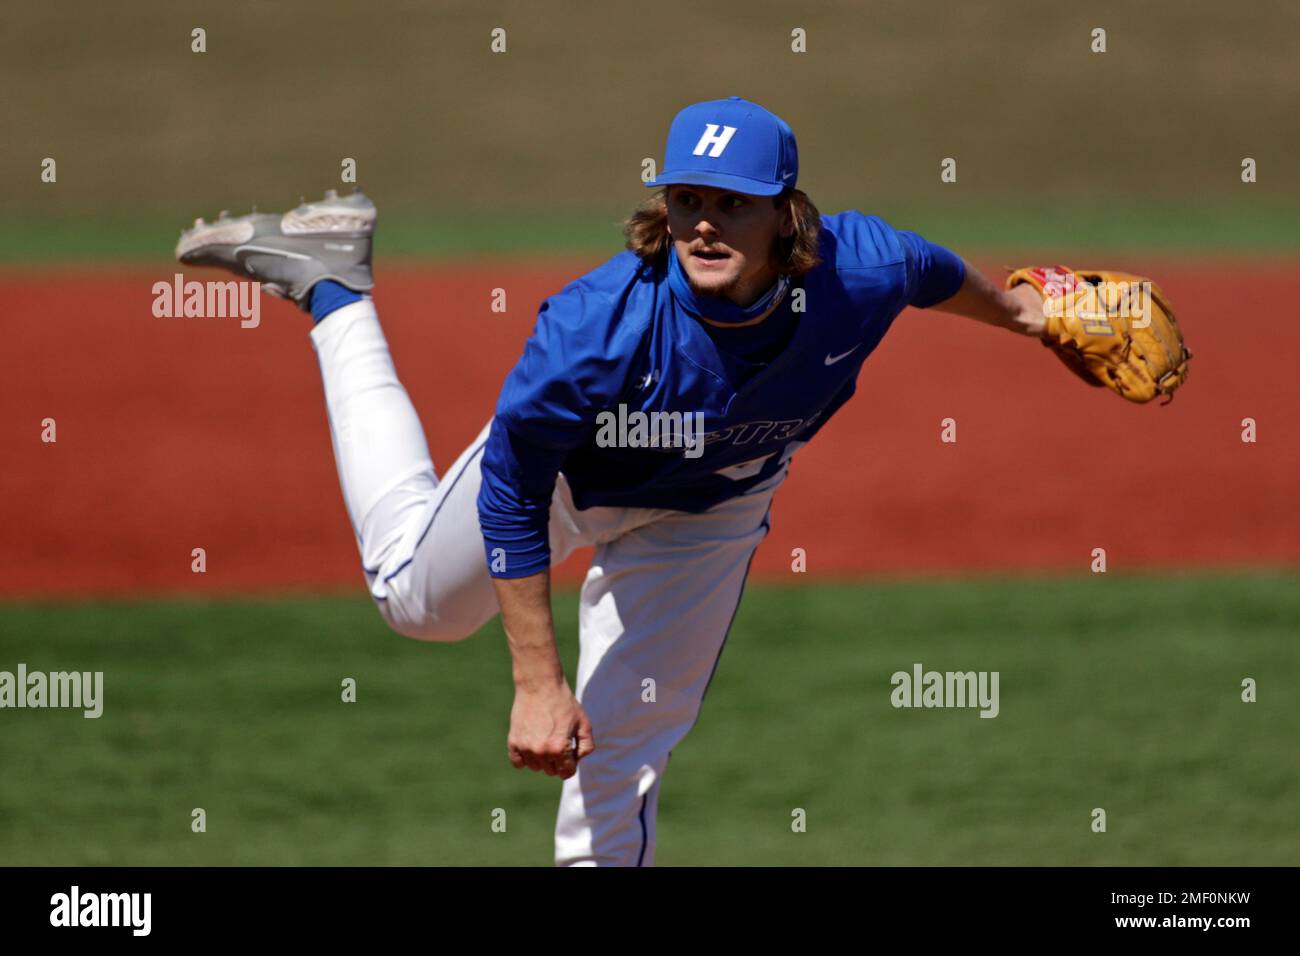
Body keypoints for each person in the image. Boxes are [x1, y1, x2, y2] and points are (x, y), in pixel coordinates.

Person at [176, 96, 1051, 866]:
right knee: (416, 604)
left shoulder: (861, 269)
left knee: (628, 744)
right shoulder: (597, 328)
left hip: (714, 505)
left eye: (732, 204)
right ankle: (334, 288)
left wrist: (1025, 315)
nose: (704, 224)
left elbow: (932, 272)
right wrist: (536, 681)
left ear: (787, 216)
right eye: (688, 200)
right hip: (563, 483)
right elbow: (513, 493)